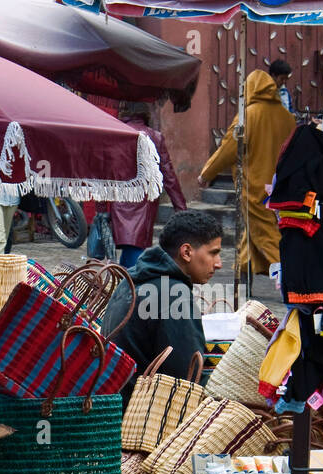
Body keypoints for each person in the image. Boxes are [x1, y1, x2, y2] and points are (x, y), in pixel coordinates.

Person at [99, 210, 223, 389]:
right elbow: (187, 375)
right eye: (213, 253)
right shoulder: (172, 293)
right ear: (186, 252)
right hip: (139, 407)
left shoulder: (133, 278)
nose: (218, 263)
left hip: (115, 395)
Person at [197, 69, 295, 278]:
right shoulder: (287, 117)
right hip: (280, 185)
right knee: (251, 229)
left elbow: (230, 148)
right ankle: (243, 268)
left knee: (266, 233)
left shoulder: (249, 115)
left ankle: (291, 275)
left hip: (255, 185)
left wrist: (207, 173)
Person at [110, 102, 186, 269]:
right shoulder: (155, 137)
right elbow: (169, 176)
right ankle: (130, 285)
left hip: (119, 198)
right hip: (143, 202)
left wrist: (101, 208)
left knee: (130, 249)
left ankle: (127, 284)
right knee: (135, 246)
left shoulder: (114, 133)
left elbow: (104, 172)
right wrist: (181, 208)